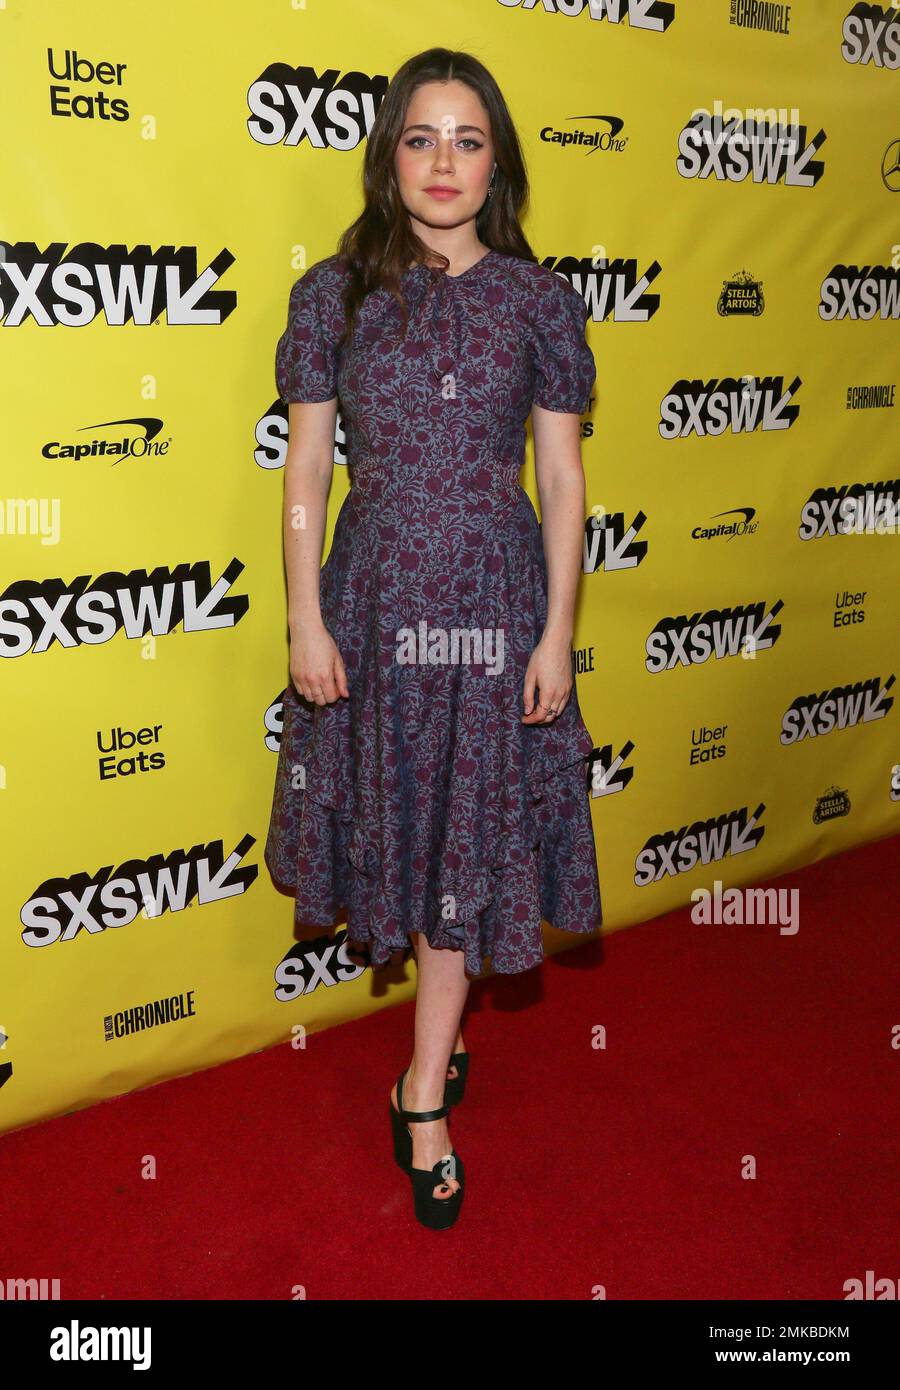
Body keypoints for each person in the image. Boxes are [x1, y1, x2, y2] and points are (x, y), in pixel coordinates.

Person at [265, 47, 602, 1230]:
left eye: (467, 138)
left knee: (467, 832)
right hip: (369, 602)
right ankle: (434, 1044)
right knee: (405, 819)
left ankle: (422, 1091)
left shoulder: (539, 299)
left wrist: (557, 632)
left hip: (497, 604)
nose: (444, 160)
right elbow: (307, 466)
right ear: (389, 153)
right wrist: (305, 608)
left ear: (497, 158)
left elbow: (561, 482)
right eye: (421, 136)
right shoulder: (334, 292)